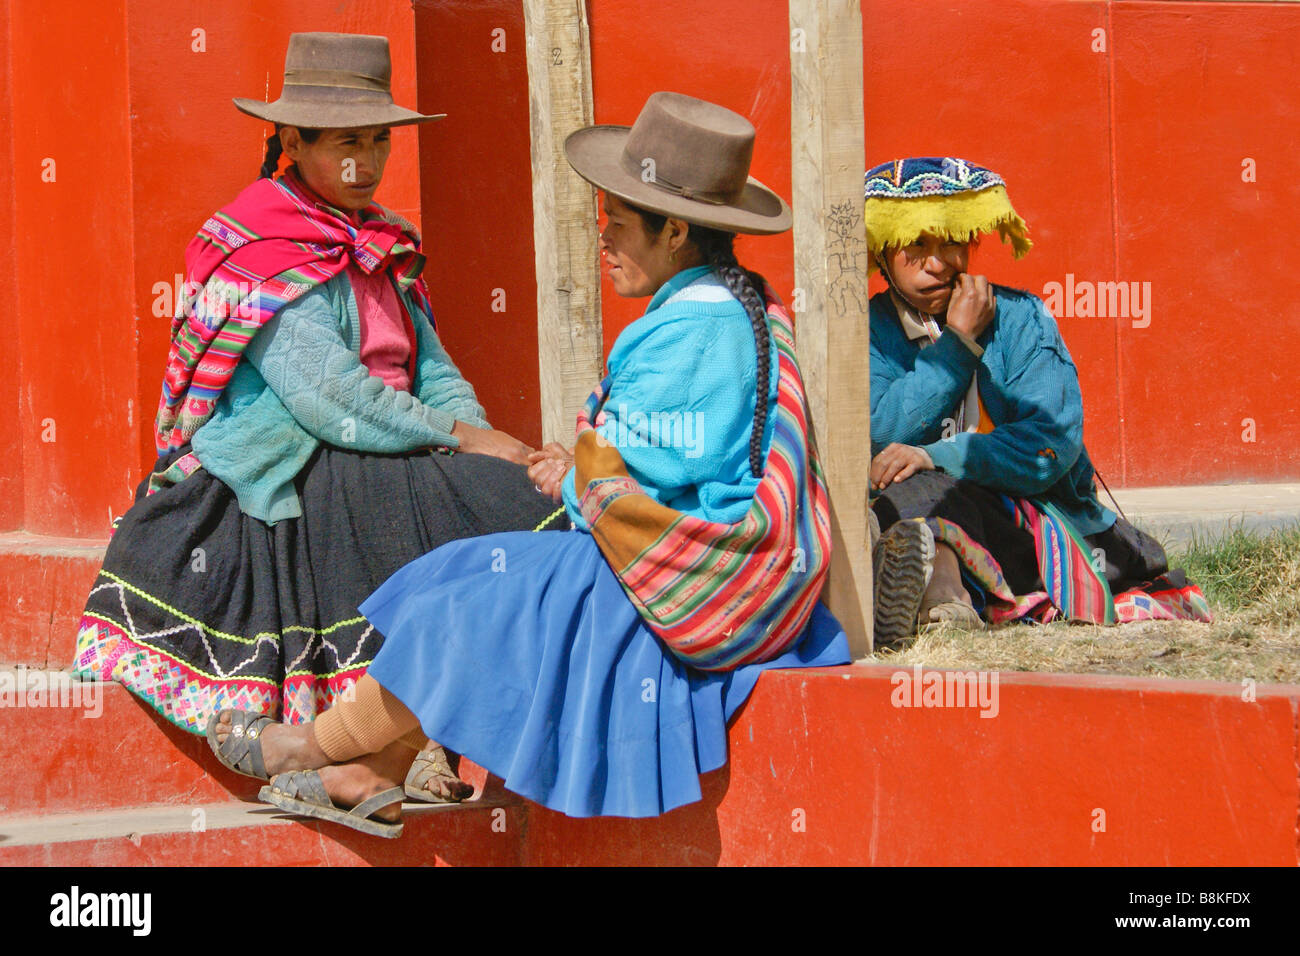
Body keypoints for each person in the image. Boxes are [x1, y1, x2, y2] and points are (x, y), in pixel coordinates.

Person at [207, 91, 851, 837]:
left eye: (617, 220)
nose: (601, 237)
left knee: (475, 602)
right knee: (468, 575)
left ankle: (309, 747)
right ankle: (368, 769)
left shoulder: (699, 324)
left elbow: (639, 472)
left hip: (688, 567)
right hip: (674, 542)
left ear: (675, 230)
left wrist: (570, 475)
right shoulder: (721, 305)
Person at [74, 33, 564, 803]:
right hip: (293, 459)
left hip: (392, 444)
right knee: (412, 506)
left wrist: (484, 446)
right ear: (293, 143)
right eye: (346, 144)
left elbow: (433, 370)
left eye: (378, 142)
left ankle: (402, 738)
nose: (366, 163)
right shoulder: (262, 251)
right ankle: (372, 747)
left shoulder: (376, 243)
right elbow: (333, 401)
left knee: (511, 505)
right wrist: (463, 441)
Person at [864, 156, 1209, 644]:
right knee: (898, 502)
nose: (939, 262)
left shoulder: (1023, 318)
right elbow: (881, 435)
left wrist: (932, 455)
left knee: (929, 490)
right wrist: (955, 348)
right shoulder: (868, 330)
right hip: (902, 504)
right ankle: (921, 575)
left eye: (953, 242)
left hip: (1025, 517)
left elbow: (1048, 446)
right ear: (882, 252)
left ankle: (944, 594)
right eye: (916, 245)